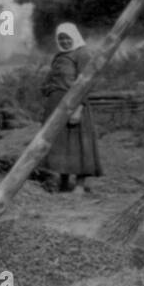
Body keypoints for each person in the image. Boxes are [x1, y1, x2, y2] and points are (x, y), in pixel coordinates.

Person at [40, 22, 103, 191]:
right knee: (61, 144)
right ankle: (63, 181)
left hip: (74, 103)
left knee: (78, 144)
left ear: (74, 36)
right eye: (61, 38)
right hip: (56, 105)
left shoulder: (82, 54)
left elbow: (86, 81)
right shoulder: (59, 56)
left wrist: (79, 107)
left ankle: (80, 185)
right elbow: (51, 78)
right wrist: (48, 89)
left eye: (68, 38)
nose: (65, 42)